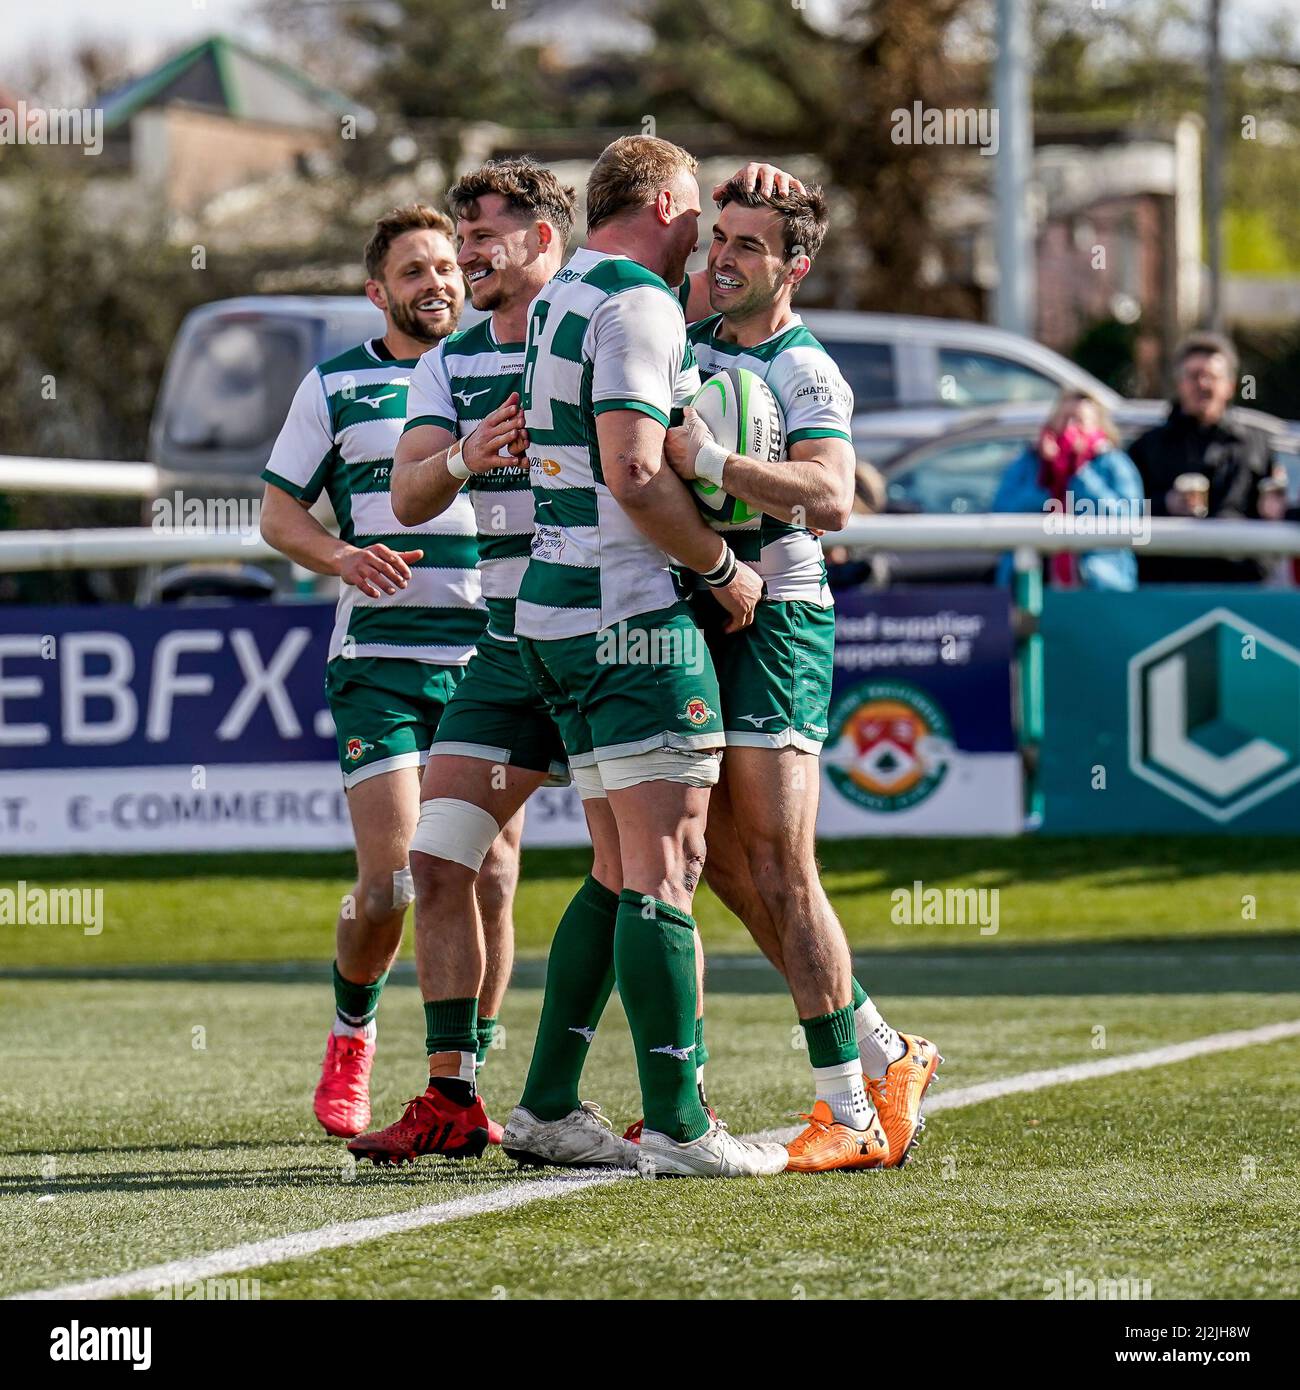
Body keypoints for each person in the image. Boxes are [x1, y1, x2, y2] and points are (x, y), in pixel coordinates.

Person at [505, 134, 789, 1178]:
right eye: (699, 212)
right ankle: (677, 1123)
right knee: (667, 867)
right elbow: (631, 468)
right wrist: (719, 565)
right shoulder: (637, 303)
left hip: (552, 612)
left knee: (620, 867)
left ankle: (542, 1105)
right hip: (625, 616)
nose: (703, 237)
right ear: (666, 198)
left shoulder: (560, 294)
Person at [346, 160, 635, 1166]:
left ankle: (662, 1097)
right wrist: (469, 453)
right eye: (458, 242)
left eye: (484, 241)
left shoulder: (604, 331)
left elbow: (651, 460)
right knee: (436, 860)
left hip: (611, 641)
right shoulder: (450, 360)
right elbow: (411, 493)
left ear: (544, 241)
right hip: (508, 649)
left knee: (649, 873)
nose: (465, 259)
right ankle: (451, 1095)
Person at [663, 177, 939, 1170]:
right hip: (701, 606)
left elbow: (831, 496)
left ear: (795, 269)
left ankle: (848, 1114)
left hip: (777, 617)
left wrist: (716, 460)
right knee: (718, 866)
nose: (722, 256)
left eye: (747, 245)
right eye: (718, 239)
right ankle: (883, 1051)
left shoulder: (805, 367)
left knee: (780, 865)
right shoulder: (693, 337)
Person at [259, 206, 518, 1140]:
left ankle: (465, 1081)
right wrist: (340, 558)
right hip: (381, 663)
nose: (438, 283)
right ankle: (351, 1034)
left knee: (491, 875)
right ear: (379, 293)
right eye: (414, 271)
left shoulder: (502, 368)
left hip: (492, 655)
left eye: (448, 265)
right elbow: (278, 513)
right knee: (395, 883)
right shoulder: (335, 385)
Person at [1130, 332, 1278, 584]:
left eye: (1212, 376)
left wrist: (1275, 508)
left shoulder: (1256, 445)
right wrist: (1165, 504)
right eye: (1194, 375)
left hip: (1241, 593)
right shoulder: (1147, 446)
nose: (1203, 384)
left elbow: (1275, 517)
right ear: (1179, 384)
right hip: (1164, 592)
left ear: (1230, 385)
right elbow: (1118, 512)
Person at [990, 389, 1144, 591]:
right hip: (1032, 583)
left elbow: (1128, 520)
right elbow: (1001, 513)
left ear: (1097, 426)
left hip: (1101, 585)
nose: (1070, 428)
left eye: (1078, 420)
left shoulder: (1114, 464)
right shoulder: (1029, 462)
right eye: (1064, 419)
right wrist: (1047, 482)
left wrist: (1080, 474)